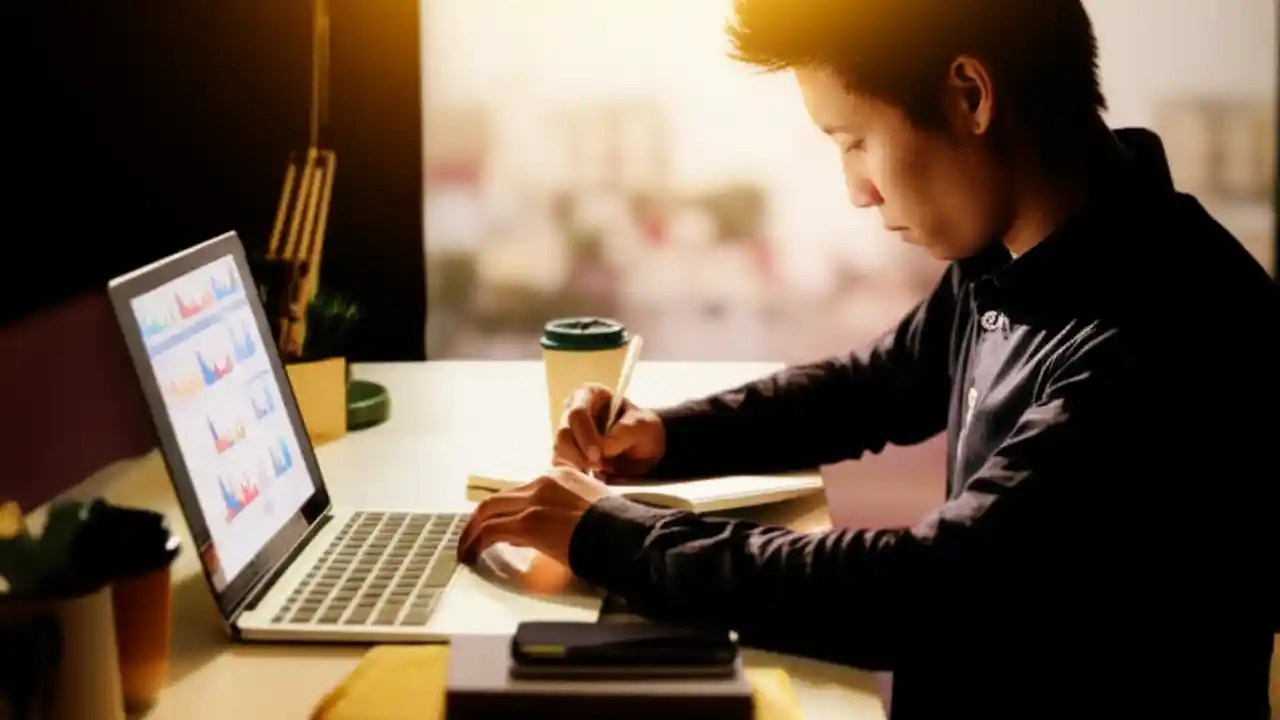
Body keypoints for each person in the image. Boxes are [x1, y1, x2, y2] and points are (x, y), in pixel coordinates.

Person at [458, 1, 1280, 717]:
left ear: (970, 95)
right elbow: (874, 386)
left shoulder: (1162, 327)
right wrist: (668, 435)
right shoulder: (1022, 254)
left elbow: (932, 585)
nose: (857, 189)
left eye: (853, 140)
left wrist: (614, 537)